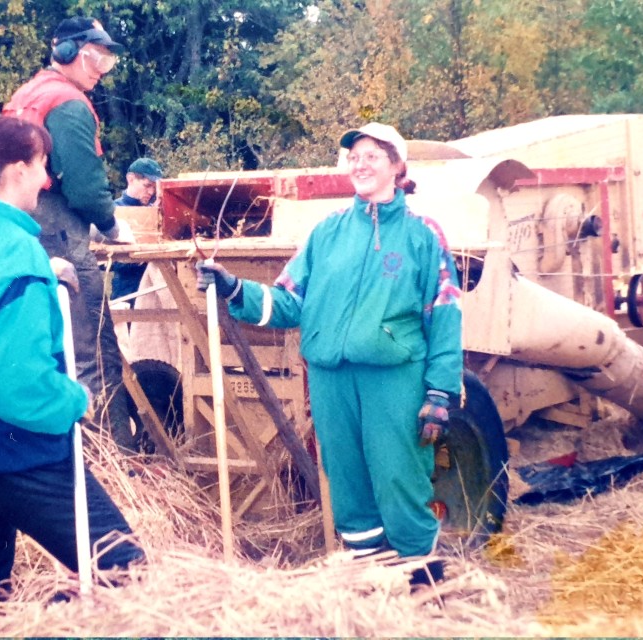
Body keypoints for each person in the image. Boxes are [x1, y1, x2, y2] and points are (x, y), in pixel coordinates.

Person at [196, 123, 462, 586]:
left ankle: (425, 586)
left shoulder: (423, 234)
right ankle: (369, 581)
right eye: (354, 156)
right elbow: (289, 301)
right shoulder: (326, 233)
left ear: (397, 166)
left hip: (394, 377)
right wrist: (234, 288)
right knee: (347, 481)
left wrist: (440, 390)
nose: (360, 163)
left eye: (372, 155)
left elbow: (445, 313)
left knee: (400, 477)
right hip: (330, 379)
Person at [0, 114, 144, 614]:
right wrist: (76, 399)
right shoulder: (16, 254)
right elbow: (20, 391)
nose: (48, 179)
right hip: (19, 454)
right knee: (128, 572)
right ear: (16, 170)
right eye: (42, 166)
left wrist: (46, 268)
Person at [3, 16, 138, 453]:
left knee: (44, 351)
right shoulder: (69, 104)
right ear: (66, 54)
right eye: (93, 57)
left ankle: (57, 453)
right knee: (94, 352)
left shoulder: (26, 95)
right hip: (60, 232)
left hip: (22, 231)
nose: (100, 69)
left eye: (106, 59)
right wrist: (114, 225)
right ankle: (113, 464)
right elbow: (83, 186)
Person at [107, 157, 164, 302]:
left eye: (154, 187)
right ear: (130, 179)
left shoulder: (157, 211)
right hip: (127, 290)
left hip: (157, 289)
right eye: (147, 185)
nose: (151, 192)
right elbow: (106, 261)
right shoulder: (114, 211)